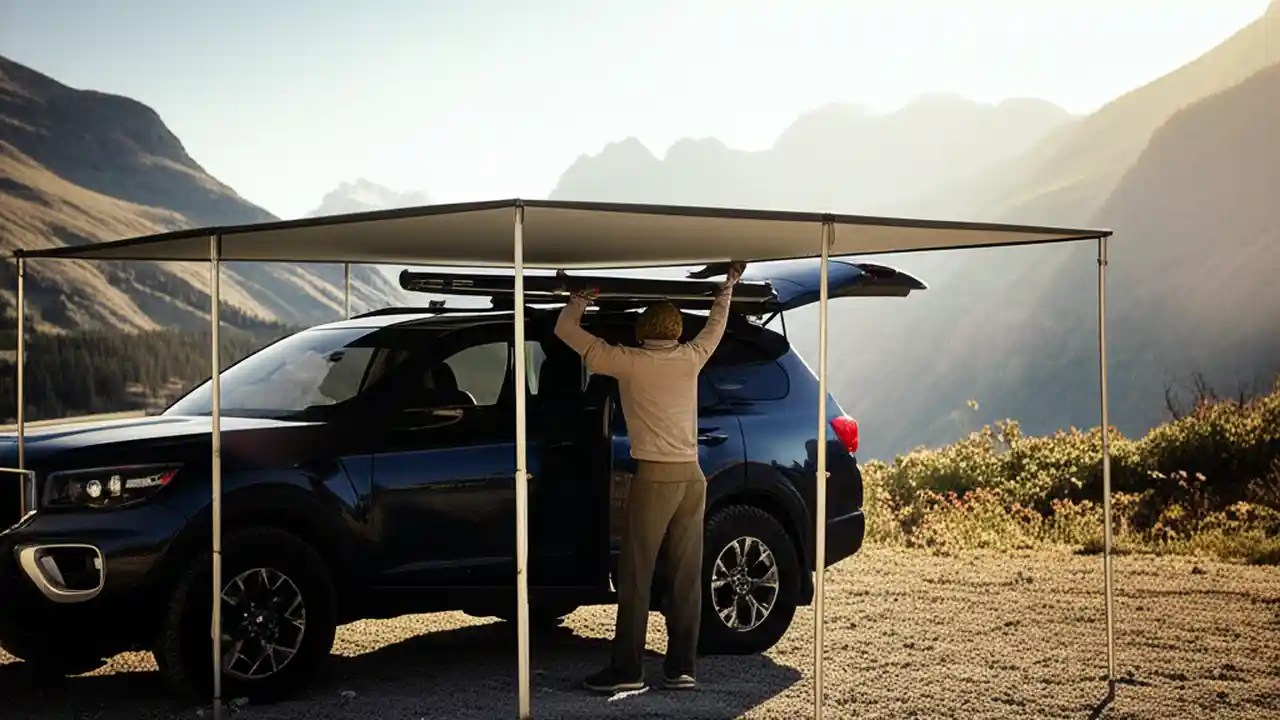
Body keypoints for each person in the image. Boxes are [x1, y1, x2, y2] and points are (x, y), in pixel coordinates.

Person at [553, 262, 745, 693]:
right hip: (693, 478)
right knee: (685, 576)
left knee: (636, 574)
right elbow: (716, 324)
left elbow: (566, 331)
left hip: (654, 479)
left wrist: (581, 298)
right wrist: (728, 286)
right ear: (677, 331)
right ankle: (681, 669)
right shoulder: (692, 357)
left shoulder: (628, 362)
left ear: (642, 332)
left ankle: (627, 669)